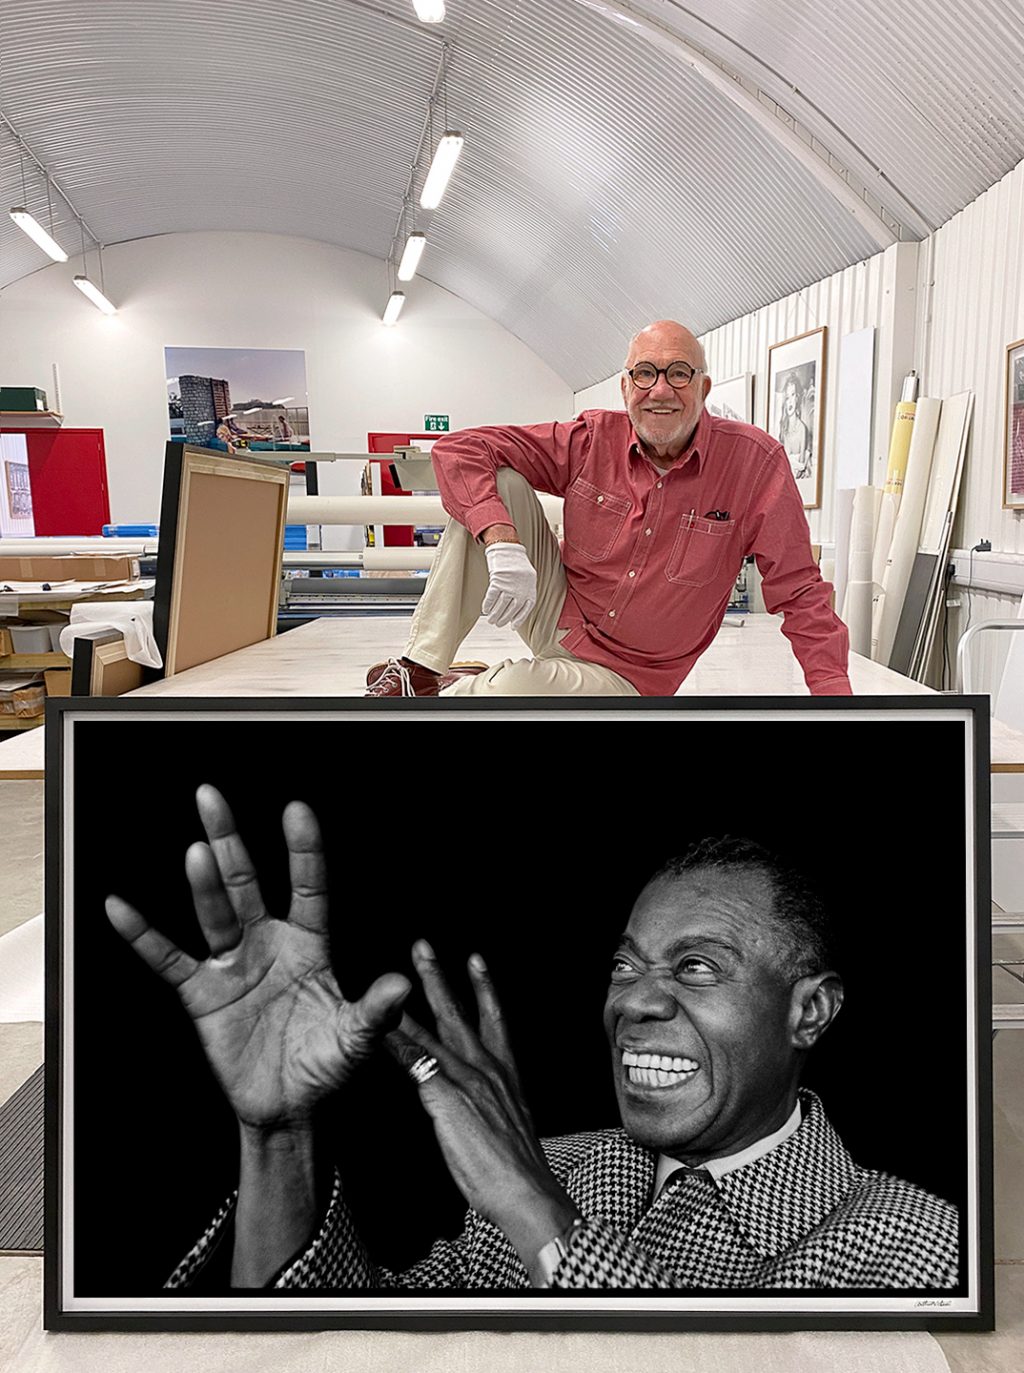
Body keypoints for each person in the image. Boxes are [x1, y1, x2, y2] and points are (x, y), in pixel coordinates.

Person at [106, 788, 958, 1292]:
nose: (636, 1002)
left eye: (697, 968)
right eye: (626, 966)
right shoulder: (562, 1160)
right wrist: (277, 1134)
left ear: (810, 1011)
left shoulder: (909, 1239)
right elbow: (334, 1345)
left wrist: (536, 1213)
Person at [365, 319, 850, 699]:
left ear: (703, 390)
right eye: (645, 374)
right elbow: (457, 450)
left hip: (629, 674)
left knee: (507, 697)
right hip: (557, 614)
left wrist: (836, 703)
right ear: (625, 388)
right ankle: (422, 669)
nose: (660, 391)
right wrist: (502, 542)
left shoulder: (753, 464)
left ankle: (457, 689)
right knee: (503, 481)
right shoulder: (592, 439)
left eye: (679, 374)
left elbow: (800, 591)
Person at [778, 374, 812, 480]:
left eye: (793, 395)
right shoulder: (784, 430)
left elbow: (801, 466)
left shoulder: (802, 429)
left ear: (797, 398)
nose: (790, 402)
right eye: (787, 397)